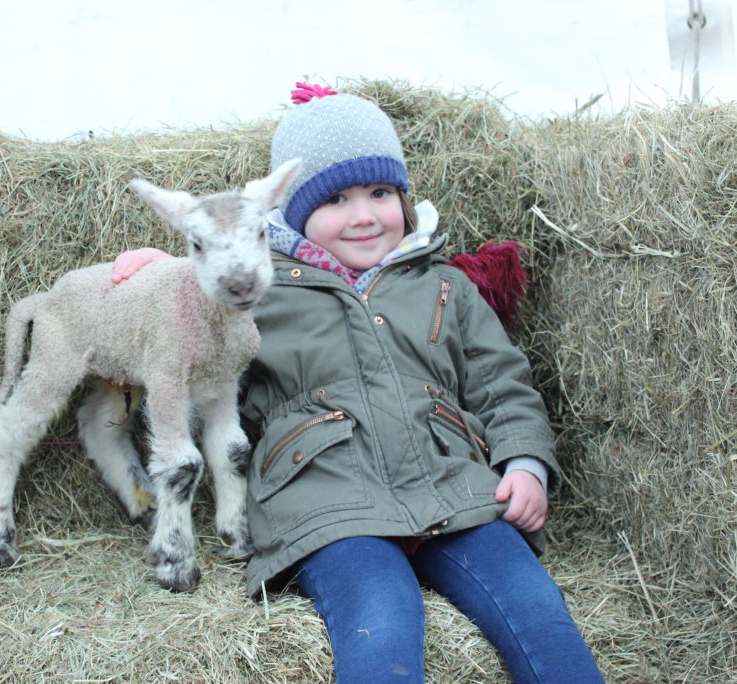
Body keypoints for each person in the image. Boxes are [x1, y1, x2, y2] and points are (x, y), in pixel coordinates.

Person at [112, 83, 604, 683]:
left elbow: (502, 384)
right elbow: (197, 334)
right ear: (293, 212)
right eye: (336, 199)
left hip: (457, 490)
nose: (364, 215)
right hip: (327, 505)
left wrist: (524, 463)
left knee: (536, 608)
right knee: (380, 618)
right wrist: (161, 277)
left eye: (379, 193)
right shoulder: (260, 297)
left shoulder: (445, 286)